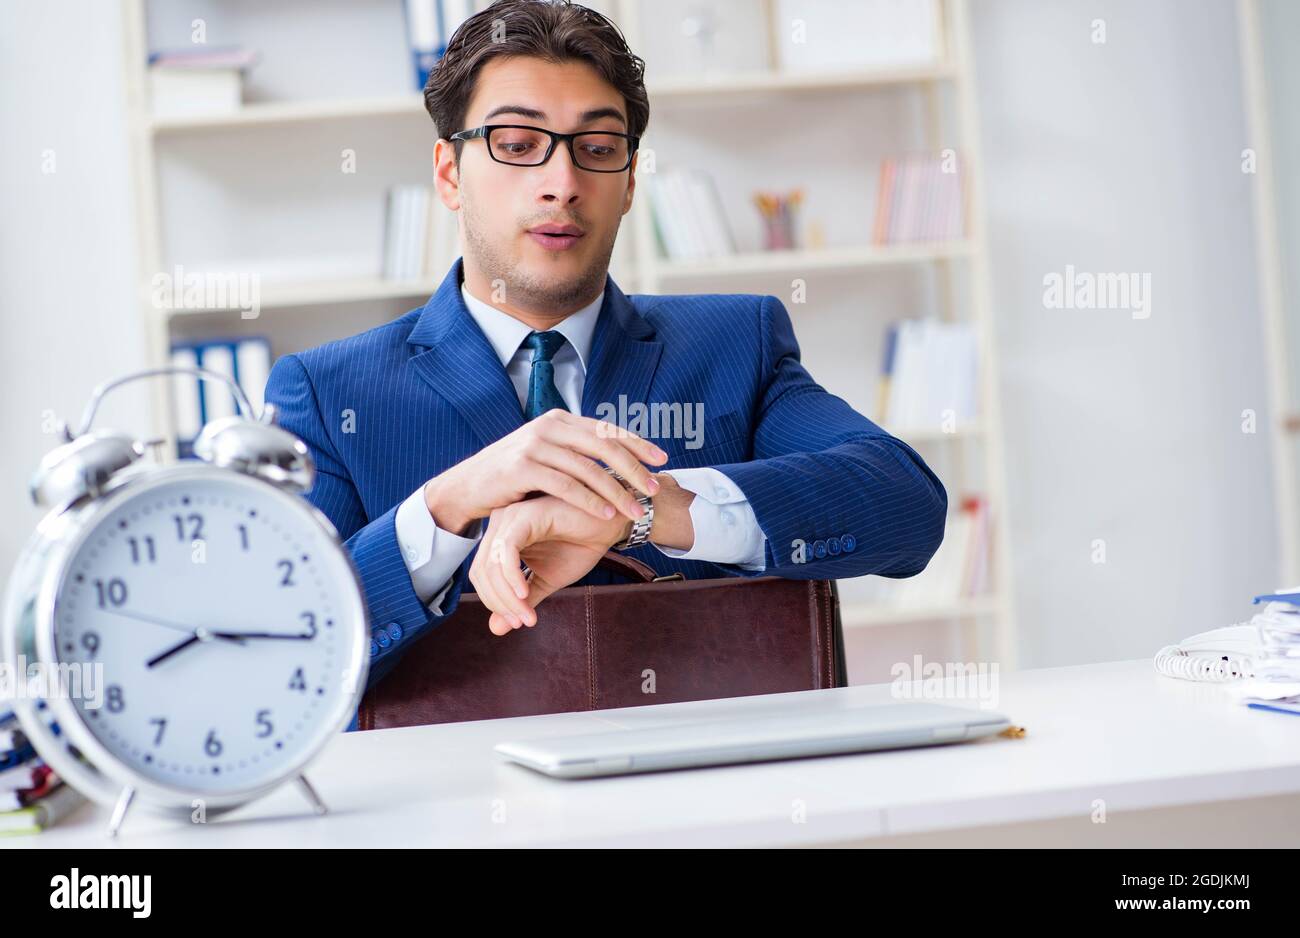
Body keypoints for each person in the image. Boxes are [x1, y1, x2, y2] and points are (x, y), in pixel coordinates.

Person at [264, 0, 948, 702]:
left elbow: (906, 508)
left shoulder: (736, 344)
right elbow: (285, 657)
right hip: (457, 802)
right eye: (518, 144)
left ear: (627, 183)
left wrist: (645, 510)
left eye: (596, 149)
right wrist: (446, 506)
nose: (562, 183)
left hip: (715, 793)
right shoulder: (328, 392)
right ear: (448, 174)